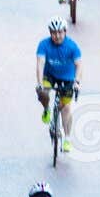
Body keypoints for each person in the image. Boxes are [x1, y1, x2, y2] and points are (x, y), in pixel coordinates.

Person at [35, 17, 81, 150]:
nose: (57, 36)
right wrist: (39, 83)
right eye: (54, 33)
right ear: (50, 33)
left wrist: (77, 82)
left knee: (66, 108)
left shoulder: (72, 46)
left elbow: (79, 65)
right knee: (43, 92)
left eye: (60, 32)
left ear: (65, 32)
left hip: (67, 78)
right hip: (50, 76)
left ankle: (67, 139)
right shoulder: (43, 44)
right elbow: (40, 64)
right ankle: (46, 110)